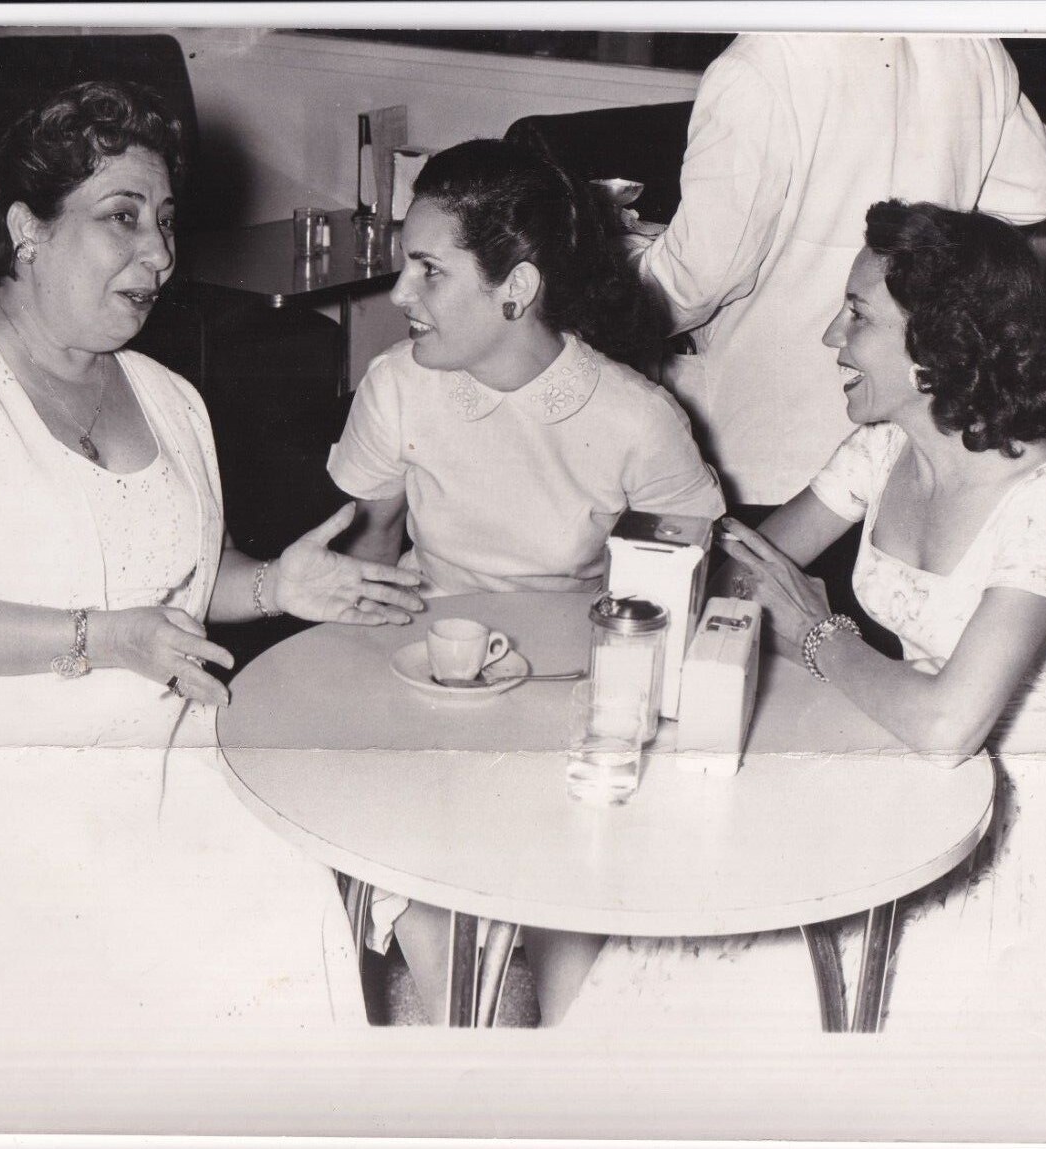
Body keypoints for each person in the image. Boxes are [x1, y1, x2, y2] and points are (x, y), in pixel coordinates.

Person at [0, 80, 425, 1123]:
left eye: (165, 223)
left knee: (286, 885)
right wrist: (99, 638)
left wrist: (274, 585)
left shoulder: (168, 398)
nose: (160, 255)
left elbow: (181, 576)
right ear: (25, 232)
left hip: (146, 742)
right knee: (123, 942)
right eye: (120, 217)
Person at [563, 201, 1046, 1037]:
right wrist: (656, 554)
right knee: (690, 958)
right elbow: (740, 569)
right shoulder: (884, 451)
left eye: (858, 315)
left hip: (1020, 824)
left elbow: (950, 721)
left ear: (938, 345)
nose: (831, 337)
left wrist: (814, 631)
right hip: (897, 759)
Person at [326, 138, 725, 1023]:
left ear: (516, 288)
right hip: (431, 685)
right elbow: (366, 552)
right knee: (443, 966)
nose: (398, 296)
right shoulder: (396, 386)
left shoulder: (635, 418)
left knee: (577, 974)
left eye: (428, 271)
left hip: (575, 708)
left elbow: (682, 589)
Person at [627, 34, 1046, 512]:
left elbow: (690, 283)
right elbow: (1037, 190)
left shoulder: (764, 59)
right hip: (910, 437)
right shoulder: (965, 39)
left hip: (772, 449)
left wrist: (617, 264)